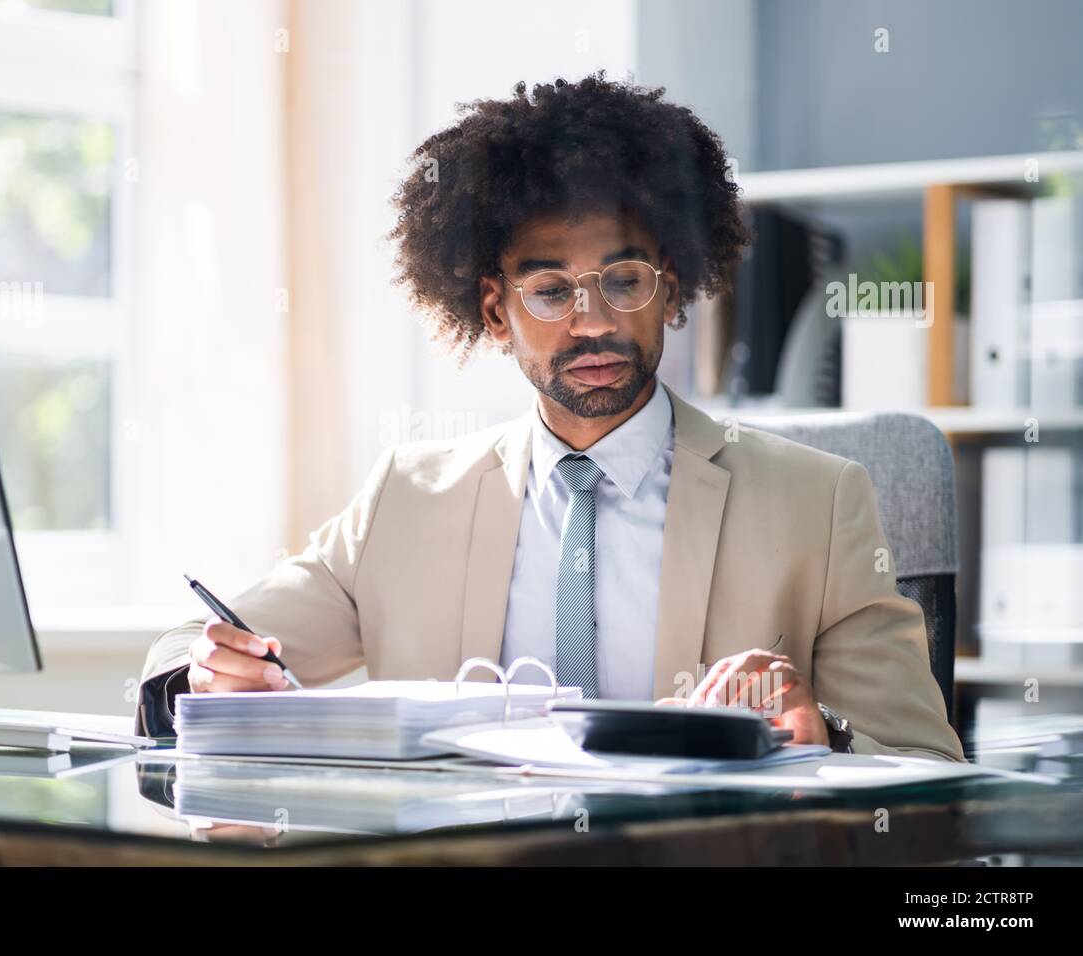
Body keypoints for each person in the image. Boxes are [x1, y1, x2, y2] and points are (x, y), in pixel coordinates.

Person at [137, 74, 963, 762]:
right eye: (549, 291)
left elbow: (929, 766)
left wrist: (824, 733)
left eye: (624, 280)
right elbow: (194, 644)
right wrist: (209, 676)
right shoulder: (407, 500)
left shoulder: (818, 505)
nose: (593, 320)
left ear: (670, 289)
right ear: (494, 310)